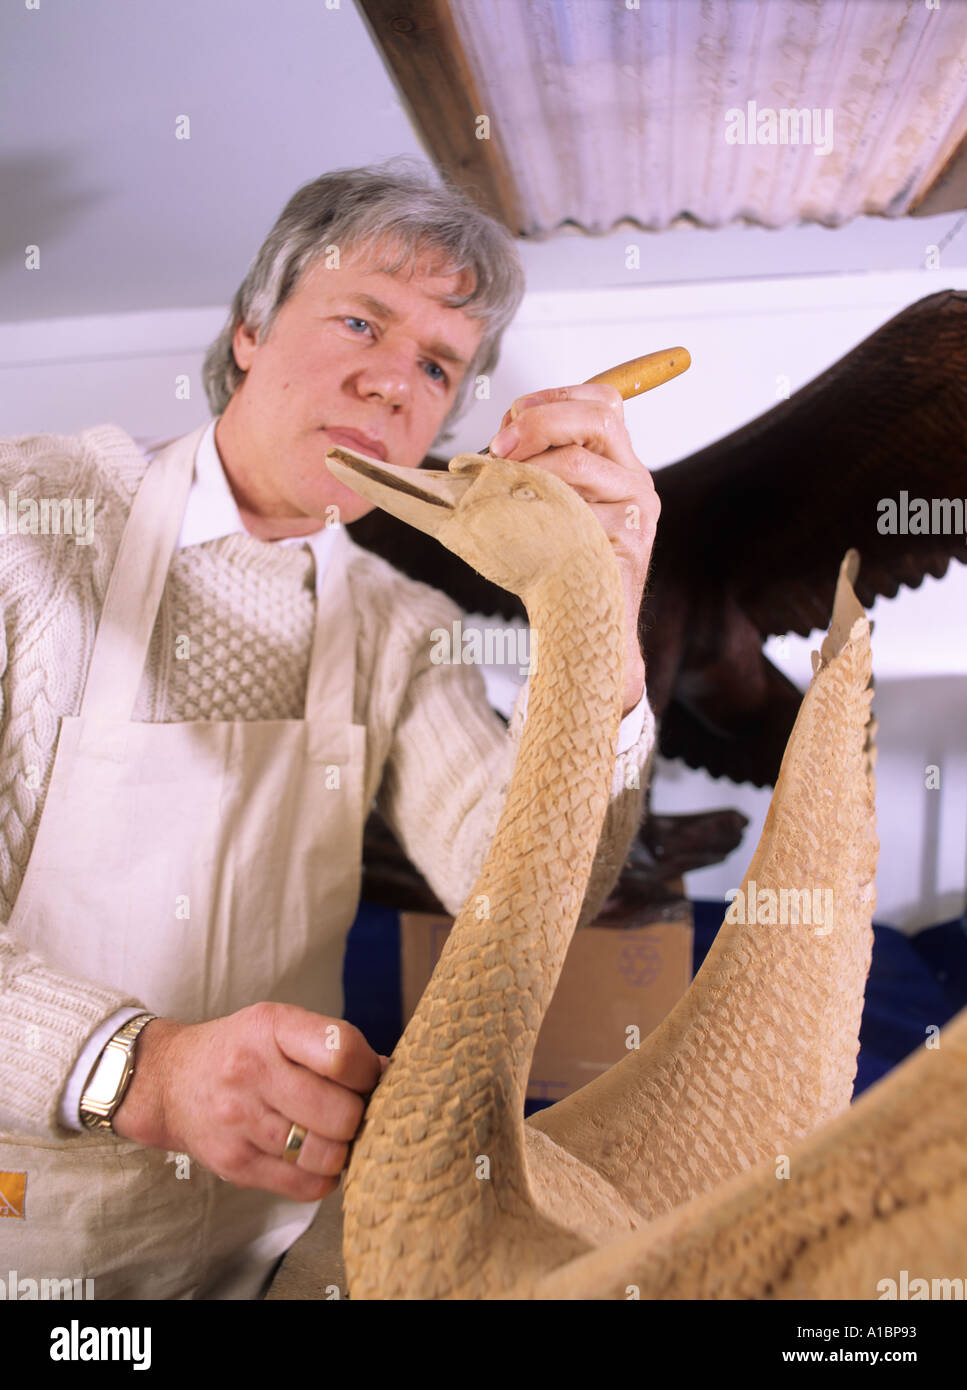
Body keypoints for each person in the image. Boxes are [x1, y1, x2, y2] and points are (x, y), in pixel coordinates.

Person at [0, 160, 660, 1298]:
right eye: (361, 317)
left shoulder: (408, 627)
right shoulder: (28, 522)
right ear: (250, 328)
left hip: (275, 1248)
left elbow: (528, 889)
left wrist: (598, 611)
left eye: (438, 363)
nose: (394, 380)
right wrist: (139, 1072)